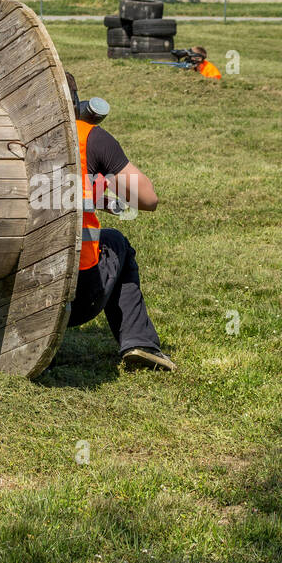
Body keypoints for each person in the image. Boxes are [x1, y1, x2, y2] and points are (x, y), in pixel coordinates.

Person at [64, 72, 176, 371]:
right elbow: (148, 199)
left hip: (4, 285)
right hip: (71, 292)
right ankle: (140, 343)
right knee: (115, 241)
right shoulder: (89, 136)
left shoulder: (4, 134)